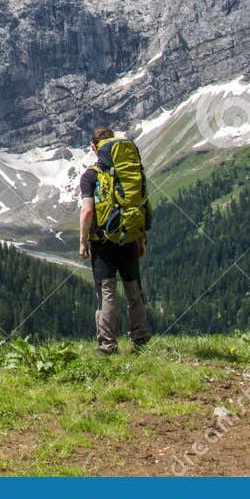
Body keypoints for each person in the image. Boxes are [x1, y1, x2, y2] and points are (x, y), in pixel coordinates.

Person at [78, 126, 151, 355]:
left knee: (107, 292)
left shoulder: (91, 175)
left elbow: (87, 211)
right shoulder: (129, 171)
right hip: (129, 236)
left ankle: (108, 346)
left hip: (102, 241)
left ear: (94, 147)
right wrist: (140, 237)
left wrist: (82, 241)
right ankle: (141, 340)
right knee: (133, 290)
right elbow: (139, 204)